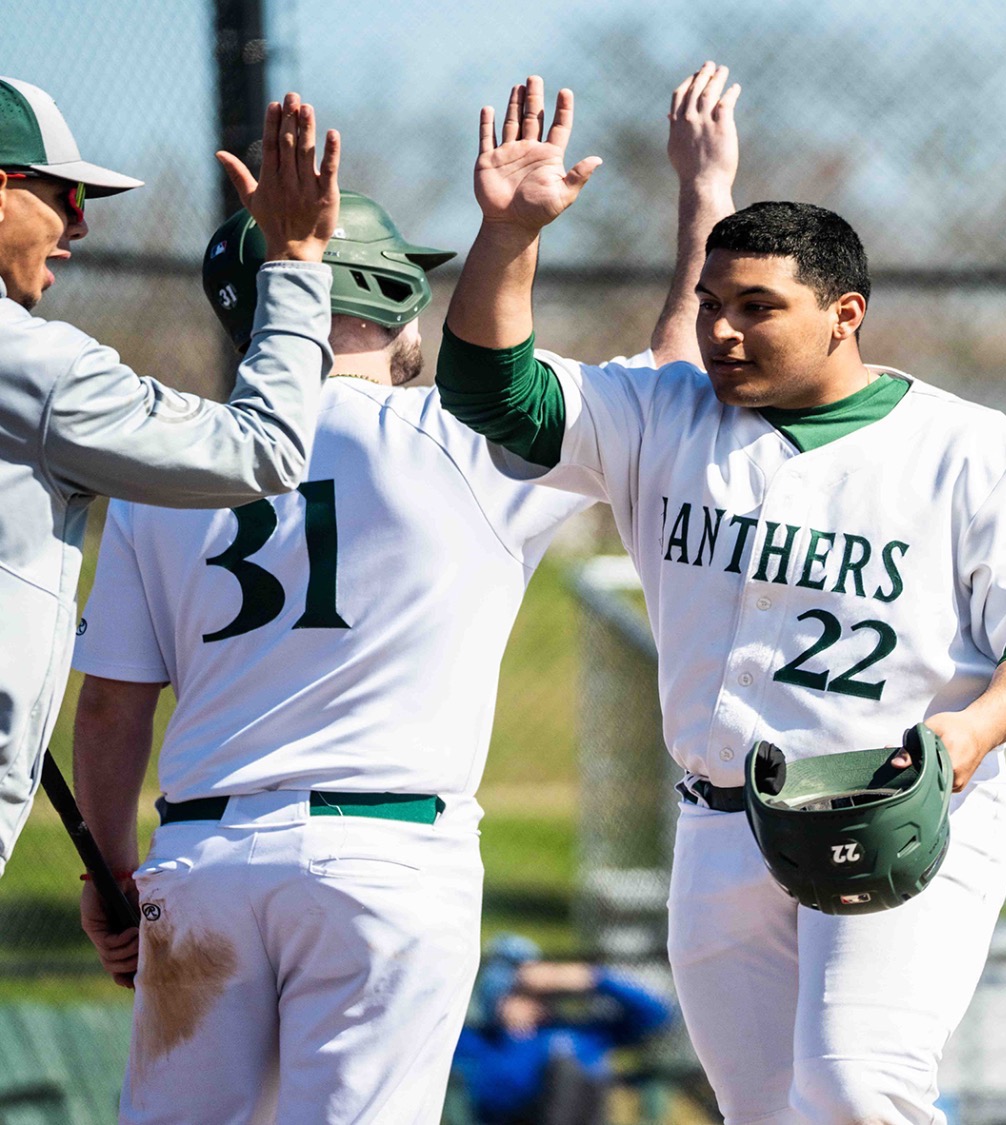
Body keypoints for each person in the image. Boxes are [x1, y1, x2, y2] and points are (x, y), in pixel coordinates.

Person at [433, 73, 1006, 1124]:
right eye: (711, 306)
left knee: (859, 1086)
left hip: (898, 808)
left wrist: (971, 734)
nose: (722, 331)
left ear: (845, 314)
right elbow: (491, 391)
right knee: (765, 1113)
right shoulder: (661, 414)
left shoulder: (966, 449)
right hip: (721, 825)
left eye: (759, 308)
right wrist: (510, 238)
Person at [68, 184, 593, 1123]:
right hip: (388, 858)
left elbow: (111, 706)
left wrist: (109, 877)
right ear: (392, 296)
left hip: (202, 860)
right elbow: (676, 382)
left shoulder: (165, 462)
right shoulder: (469, 440)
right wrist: (700, 195)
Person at [0, 81, 339, 878]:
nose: (79, 223)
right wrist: (292, 262)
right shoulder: (29, 364)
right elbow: (262, 452)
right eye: (66, 193)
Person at [453, 935, 675, 1125]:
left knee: (566, 1065)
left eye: (537, 994)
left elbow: (657, 1015)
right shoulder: (474, 1042)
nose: (532, 1002)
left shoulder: (573, 1034)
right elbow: (497, 1094)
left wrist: (591, 978)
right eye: (519, 993)